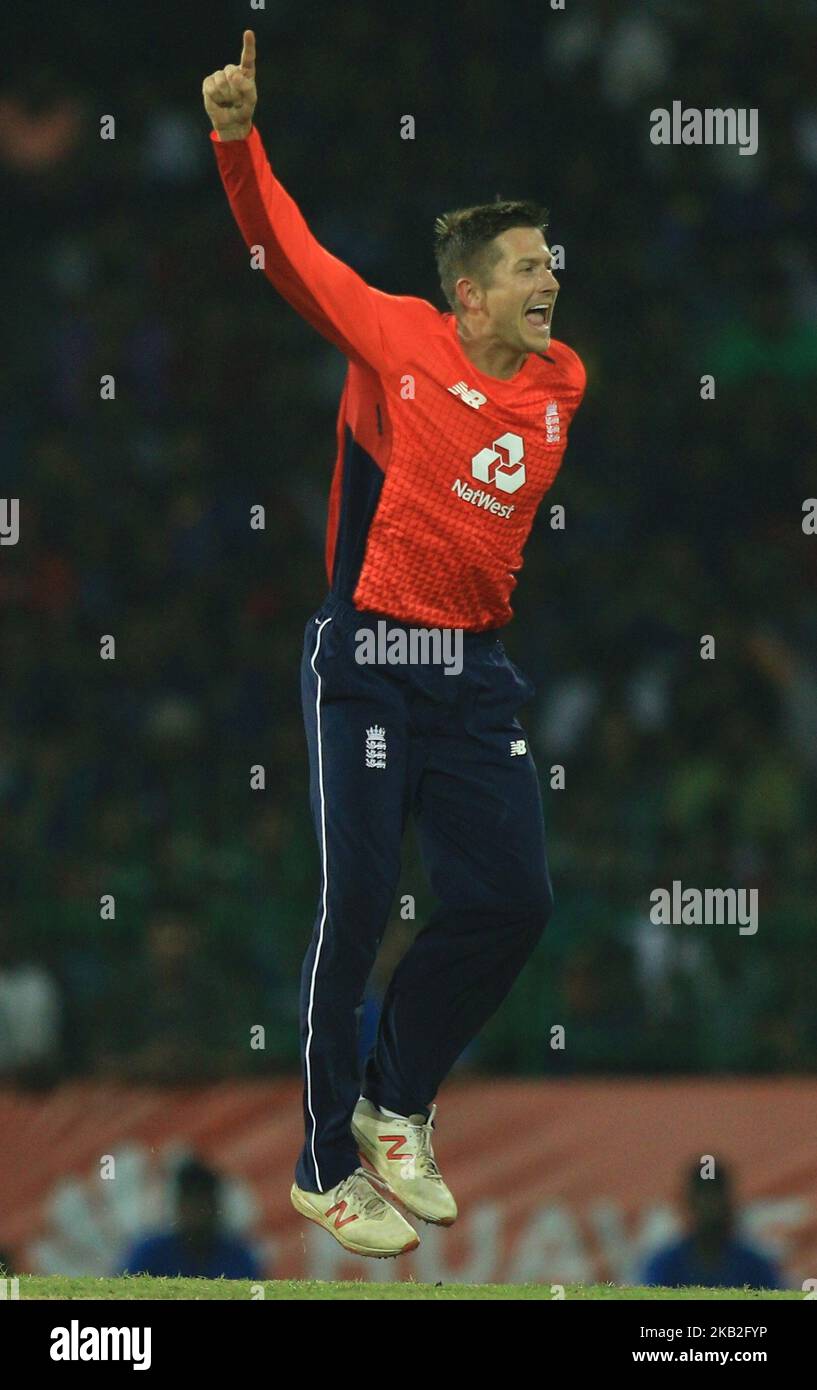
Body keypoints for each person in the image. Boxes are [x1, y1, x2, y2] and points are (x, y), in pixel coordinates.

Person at [203, 29, 586, 1258]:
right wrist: (234, 139)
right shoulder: (398, 342)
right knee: (359, 897)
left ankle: (394, 1100)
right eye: (526, 270)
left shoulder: (560, 382)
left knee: (515, 900)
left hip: (470, 667)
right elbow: (286, 254)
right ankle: (322, 1163)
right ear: (465, 294)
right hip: (368, 652)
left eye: (552, 267)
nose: (548, 285)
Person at [641, 1161, 782, 1290]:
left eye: (716, 1200)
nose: (710, 1209)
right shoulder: (664, 1268)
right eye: (704, 1200)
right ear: (687, 1205)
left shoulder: (755, 1268)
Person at [121, 1160, 261, 1280]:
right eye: (191, 1202)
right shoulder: (150, 1255)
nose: (197, 1212)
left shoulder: (238, 1259)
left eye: (203, 1203)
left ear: (216, 1206)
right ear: (178, 1205)